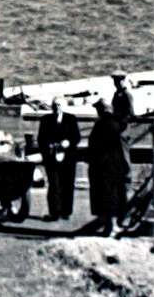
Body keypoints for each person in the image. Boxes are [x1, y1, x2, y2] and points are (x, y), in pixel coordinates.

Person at [86, 100, 130, 234]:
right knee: (117, 195)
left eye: (98, 109)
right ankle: (117, 224)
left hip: (104, 166)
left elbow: (95, 145)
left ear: (102, 110)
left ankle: (109, 226)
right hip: (117, 165)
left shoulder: (102, 124)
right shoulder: (119, 123)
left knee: (106, 197)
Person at [35, 99, 82, 220]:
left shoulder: (71, 119)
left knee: (67, 184)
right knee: (54, 185)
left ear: (64, 106)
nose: (57, 108)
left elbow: (76, 137)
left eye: (59, 105)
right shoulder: (45, 120)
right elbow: (41, 139)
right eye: (54, 105)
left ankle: (66, 212)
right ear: (51, 106)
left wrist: (68, 142)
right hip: (52, 158)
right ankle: (54, 212)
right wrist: (48, 146)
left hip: (68, 158)